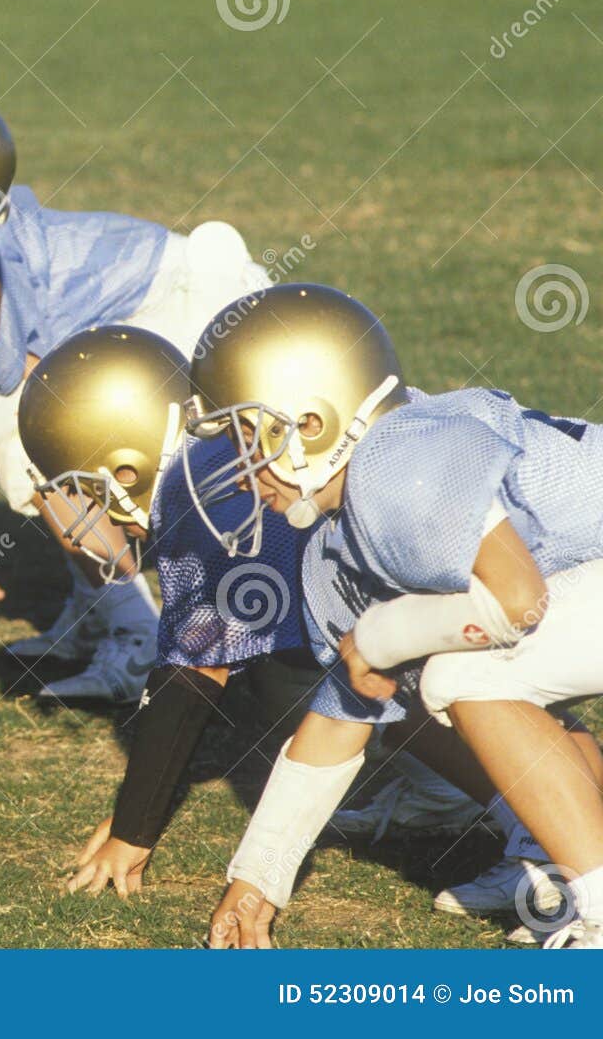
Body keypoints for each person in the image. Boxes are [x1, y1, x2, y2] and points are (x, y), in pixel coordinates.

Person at [189, 283, 603, 950]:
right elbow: (344, 715)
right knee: (416, 689)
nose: (241, 470)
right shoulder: (334, 542)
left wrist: (381, 634)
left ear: (312, 422)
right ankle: (558, 854)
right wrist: (256, 878)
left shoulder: (392, 462)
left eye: (246, 437)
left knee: (459, 678)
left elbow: (516, 600)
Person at [0, 80, 270, 701]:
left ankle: (139, 640)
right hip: (161, 311)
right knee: (47, 441)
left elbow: (23, 381)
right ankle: (98, 615)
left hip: (195, 309)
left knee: (40, 454)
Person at [12, 325, 322, 895]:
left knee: (333, 675)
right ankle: (423, 778)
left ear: (125, 467)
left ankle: (482, 807)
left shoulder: (194, 495)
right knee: (293, 664)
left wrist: (133, 829)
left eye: (92, 488)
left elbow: (194, 670)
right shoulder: (209, 455)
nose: (91, 509)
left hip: (458, 614)